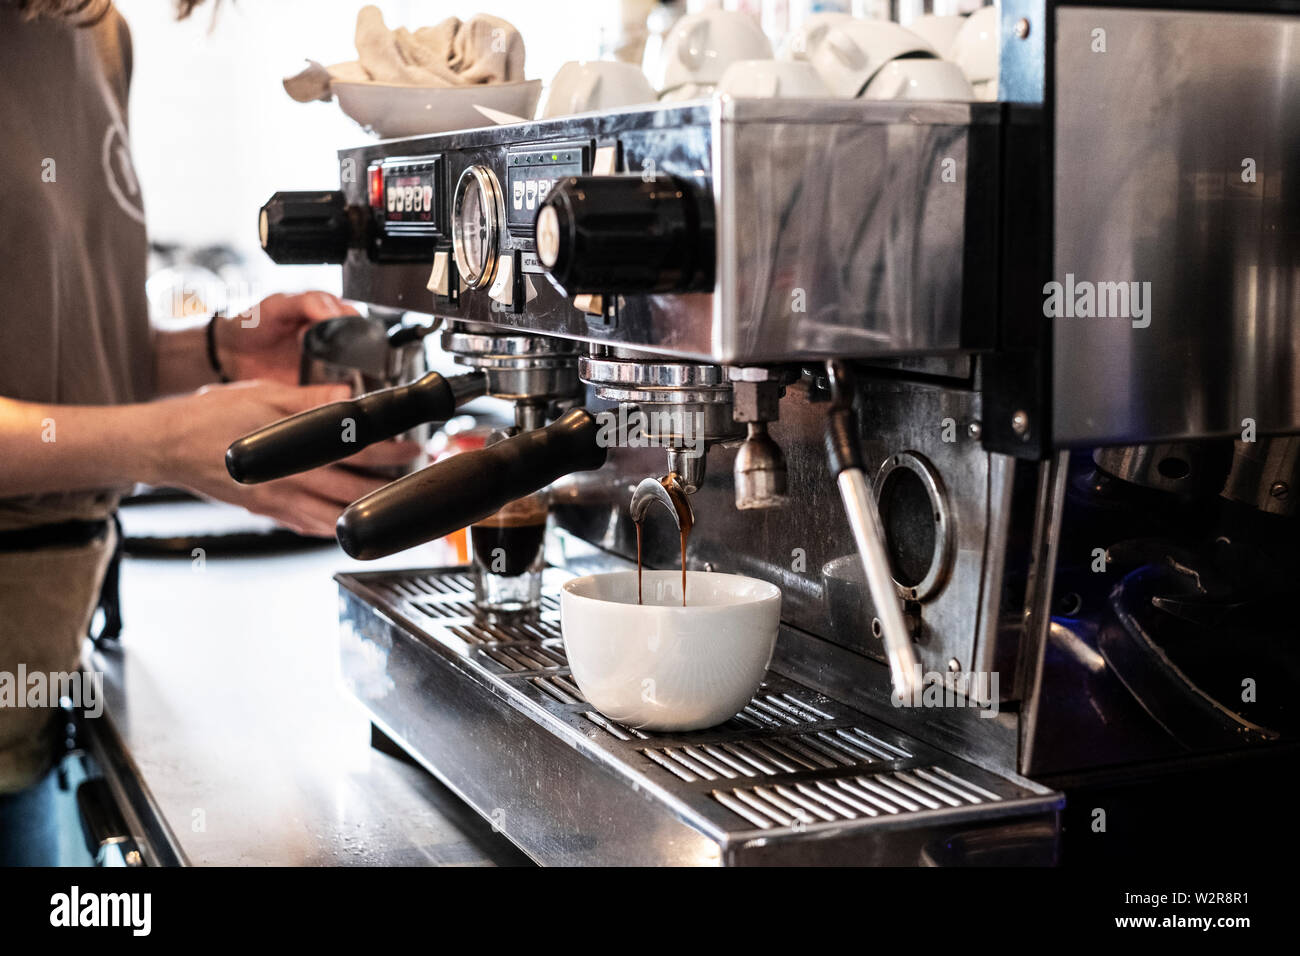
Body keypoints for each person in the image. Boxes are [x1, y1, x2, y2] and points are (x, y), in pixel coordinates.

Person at [0, 0, 412, 862]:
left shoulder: (97, 36)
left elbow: (49, 347)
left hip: (30, 697)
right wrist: (166, 443)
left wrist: (217, 353)